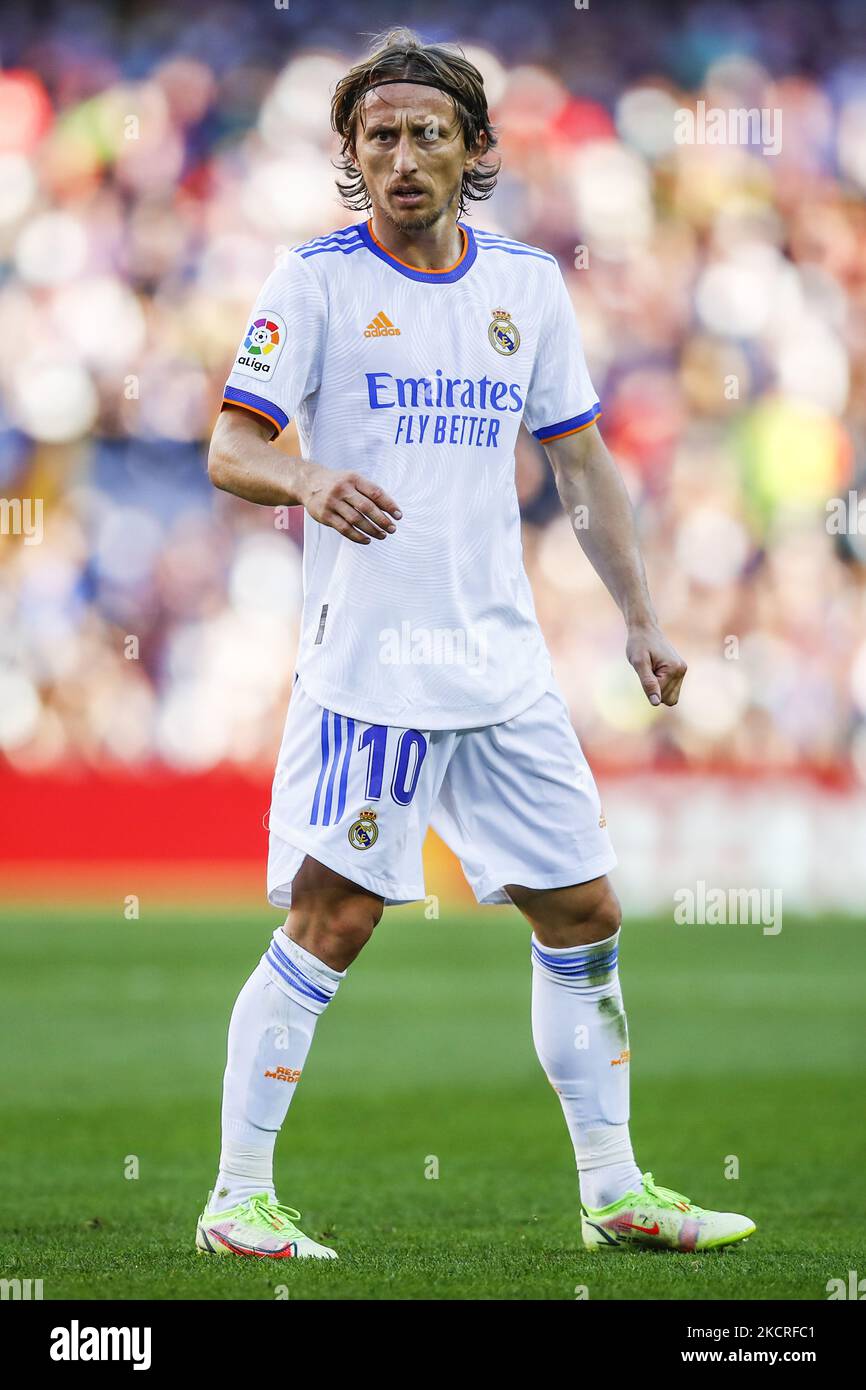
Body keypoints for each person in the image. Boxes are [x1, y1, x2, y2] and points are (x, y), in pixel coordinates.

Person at [196, 28, 755, 1260]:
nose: (401, 157)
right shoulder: (316, 283)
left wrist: (643, 617)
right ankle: (236, 1197)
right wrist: (308, 477)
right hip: (373, 672)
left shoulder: (525, 287)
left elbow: (580, 463)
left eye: (425, 133)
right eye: (377, 137)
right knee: (334, 921)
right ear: (350, 155)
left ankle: (612, 1192)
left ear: (473, 150)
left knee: (584, 911)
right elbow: (230, 448)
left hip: (500, 669)